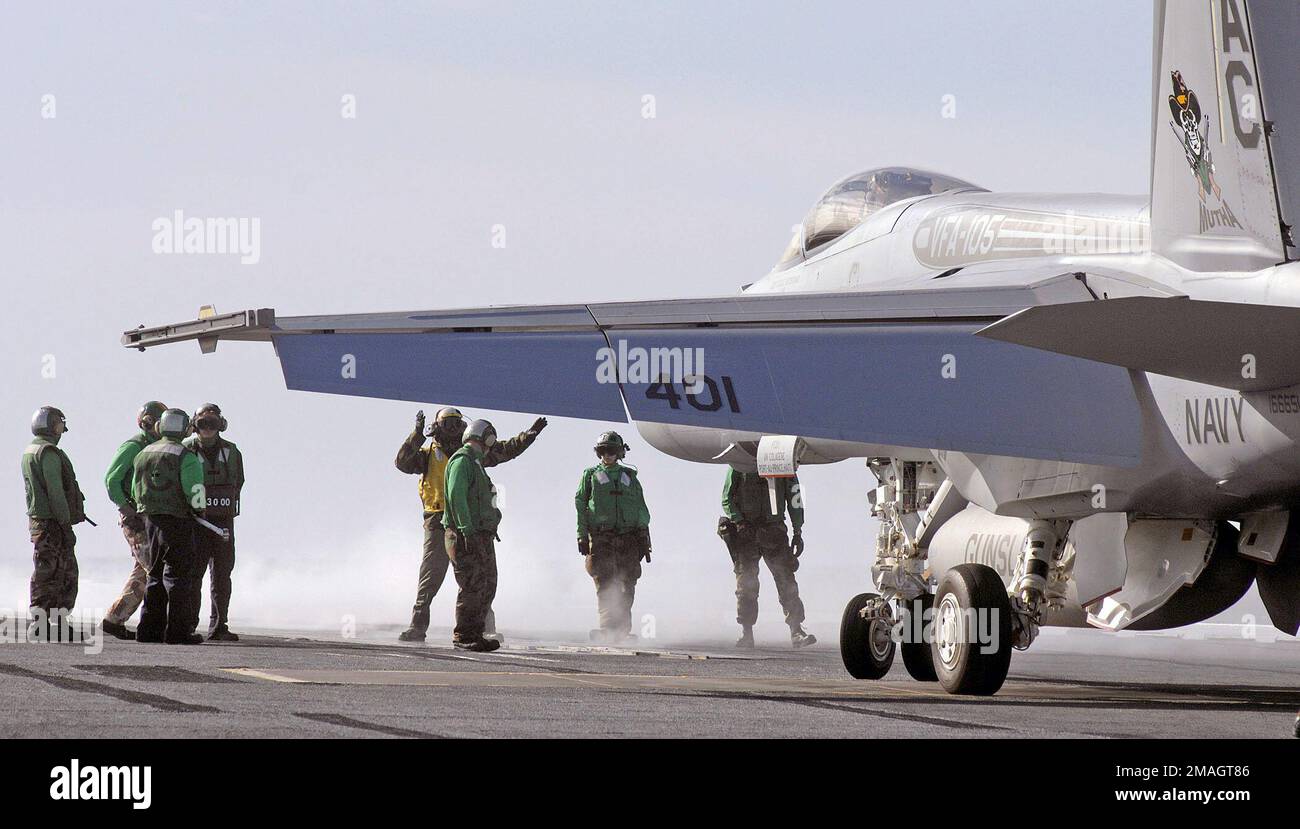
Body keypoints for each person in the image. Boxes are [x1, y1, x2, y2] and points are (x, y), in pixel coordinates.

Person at [394, 407, 546, 642]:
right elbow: (402, 463)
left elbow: (506, 450)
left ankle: (484, 627)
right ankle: (418, 626)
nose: (453, 428)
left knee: (478, 576)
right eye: (447, 423)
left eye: (457, 423)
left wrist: (529, 435)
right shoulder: (428, 454)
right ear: (436, 426)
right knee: (431, 574)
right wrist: (416, 434)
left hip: (468, 521)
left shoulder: (474, 454)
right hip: (437, 519)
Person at [719, 467, 816, 649]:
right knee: (746, 586)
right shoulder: (739, 464)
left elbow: (795, 499)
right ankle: (747, 634)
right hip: (746, 533)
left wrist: (797, 530)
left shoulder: (781, 463)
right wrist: (739, 521)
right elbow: (727, 499)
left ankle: (796, 631)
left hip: (773, 531)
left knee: (786, 582)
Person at [132, 408, 206, 645]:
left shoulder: (144, 453)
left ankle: (148, 630)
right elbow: (195, 492)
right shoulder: (186, 457)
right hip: (178, 522)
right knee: (179, 577)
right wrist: (199, 512)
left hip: (150, 521)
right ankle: (177, 631)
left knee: (154, 574)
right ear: (186, 429)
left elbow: (135, 490)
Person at [441, 419, 510, 652]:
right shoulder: (463, 461)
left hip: (481, 535)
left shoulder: (477, 464)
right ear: (487, 437)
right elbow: (456, 496)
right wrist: (466, 529)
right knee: (471, 585)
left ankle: (476, 633)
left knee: (487, 583)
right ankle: (464, 635)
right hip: (466, 535)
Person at [575, 431, 650, 643]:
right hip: (601, 538)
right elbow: (580, 505)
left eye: (611, 451)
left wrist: (643, 533)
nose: (606, 455)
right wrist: (581, 534)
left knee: (628, 583)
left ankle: (623, 630)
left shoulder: (630, 477)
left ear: (619, 453)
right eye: (602, 451)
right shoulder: (590, 476)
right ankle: (607, 629)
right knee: (605, 583)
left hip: (628, 538)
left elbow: (641, 507)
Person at [101, 401, 167, 640]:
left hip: (147, 516)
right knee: (153, 569)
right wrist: (126, 508)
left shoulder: (159, 447)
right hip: (135, 518)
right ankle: (148, 622)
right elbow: (111, 479)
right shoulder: (134, 446)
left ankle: (115, 618)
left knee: (144, 569)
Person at [20, 406, 86, 642]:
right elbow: (56, 491)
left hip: (41, 521)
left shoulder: (31, 450)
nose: (62, 428)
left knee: (47, 571)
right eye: (59, 423)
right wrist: (65, 522)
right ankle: (52, 623)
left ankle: (45, 623)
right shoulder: (48, 453)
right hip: (52, 523)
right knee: (62, 571)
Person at [183, 403, 245, 641]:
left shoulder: (232, 451)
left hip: (223, 520)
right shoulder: (184, 450)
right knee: (193, 573)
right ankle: (188, 623)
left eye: (212, 422)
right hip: (195, 520)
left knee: (222, 574)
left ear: (221, 424)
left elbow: (239, 481)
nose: (207, 427)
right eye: (202, 422)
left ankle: (218, 626)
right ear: (194, 425)